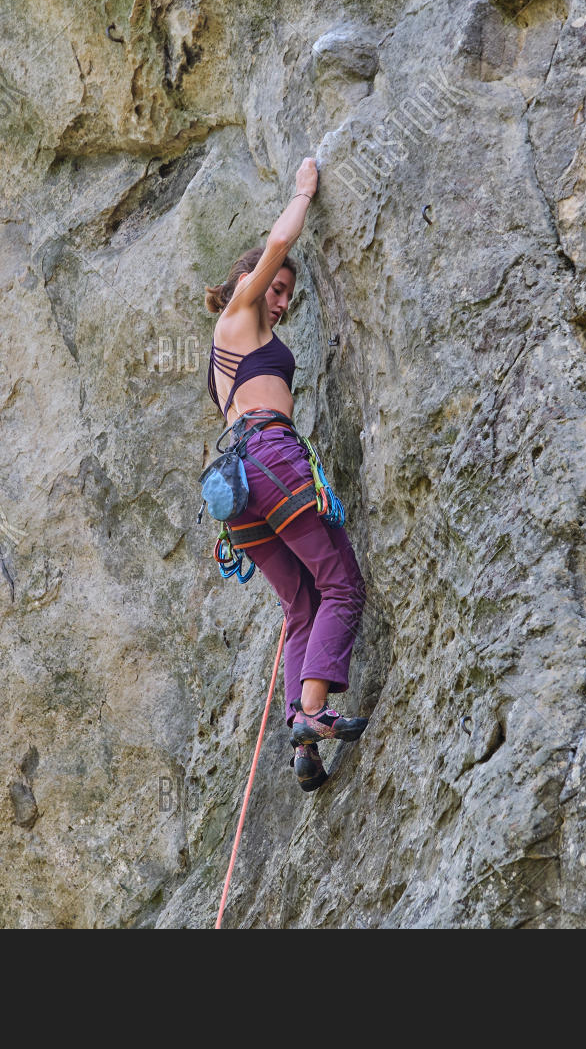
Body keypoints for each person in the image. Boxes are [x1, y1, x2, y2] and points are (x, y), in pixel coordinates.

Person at [203, 157, 368, 793]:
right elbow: (278, 242)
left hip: (238, 487)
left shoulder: (235, 346)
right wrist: (303, 193)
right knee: (341, 583)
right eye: (276, 287)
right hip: (269, 457)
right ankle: (313, 712)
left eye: (287, 294)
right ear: (248, 280)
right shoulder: (238, 316)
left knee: (300, 605)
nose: (282, 297)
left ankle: (302, 745)